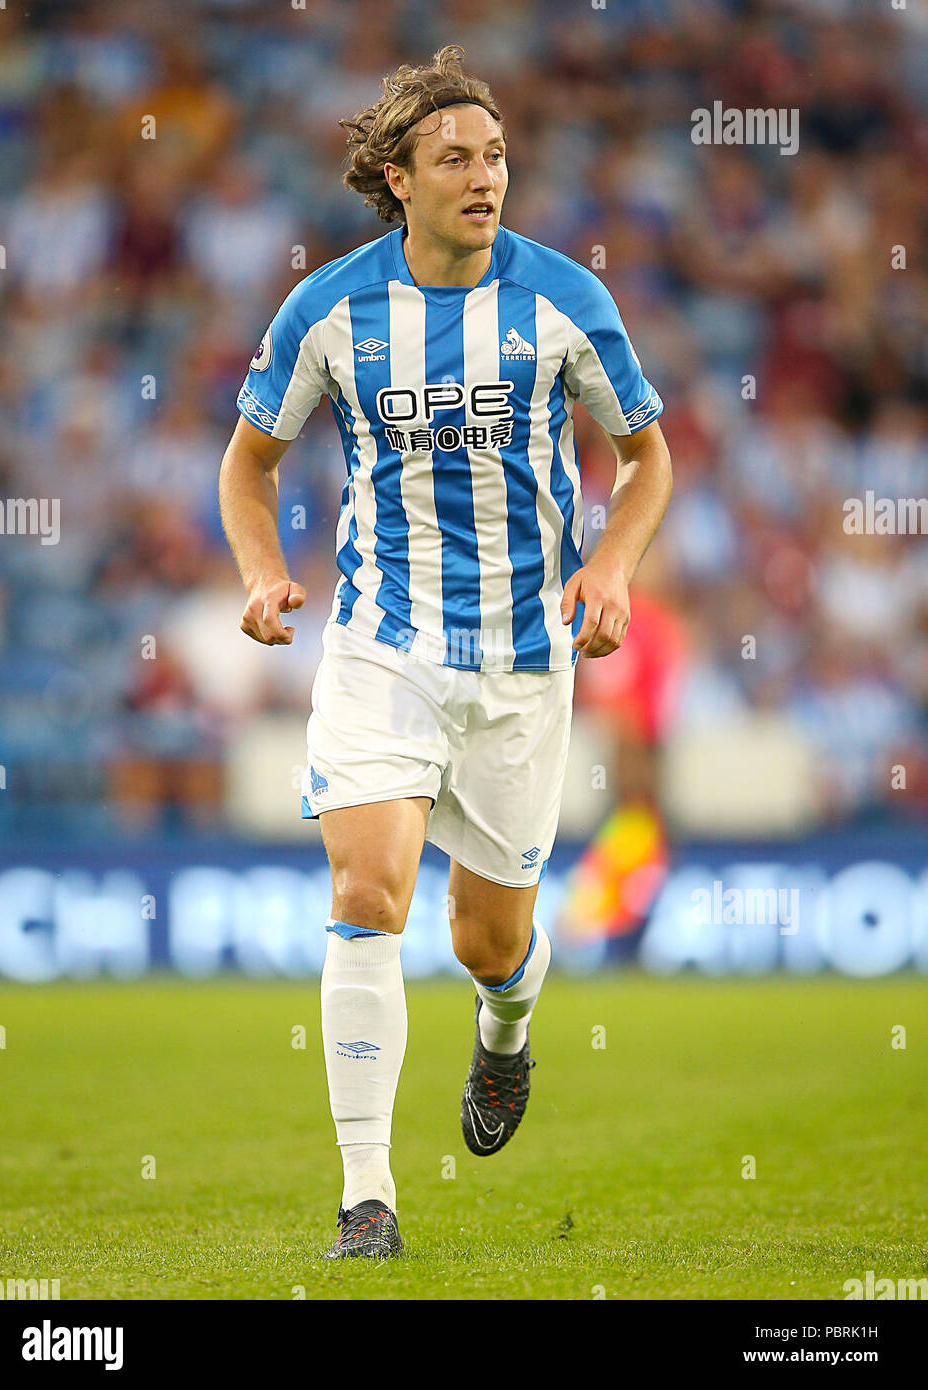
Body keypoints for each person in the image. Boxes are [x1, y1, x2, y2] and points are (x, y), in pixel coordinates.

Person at [218, 45, 672, 1258]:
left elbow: (645, 459)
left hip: (525, 655)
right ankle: (367, 1197)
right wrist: (262, 570)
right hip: (382, 641)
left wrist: (611, 563)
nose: (484, 177)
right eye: (455, 159)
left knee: (489, 941)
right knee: (366, 890)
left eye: (496, 156)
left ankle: (505, 1034)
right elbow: (248, 464)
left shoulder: (566, 299)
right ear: (395, 180)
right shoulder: (326, 309)